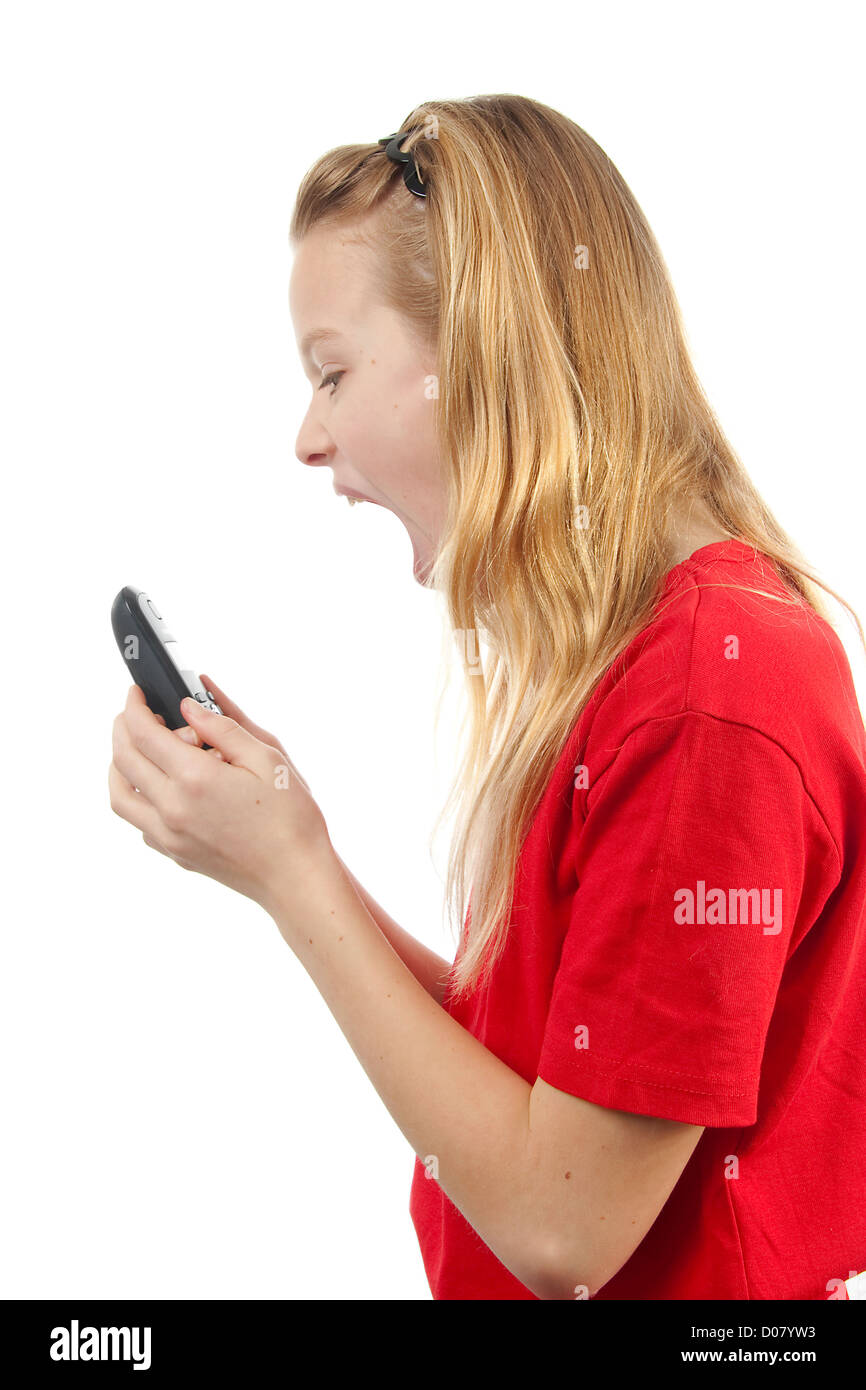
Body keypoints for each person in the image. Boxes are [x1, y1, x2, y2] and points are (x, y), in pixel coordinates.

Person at [113, 93, 865, 1302]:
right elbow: (536, 1079)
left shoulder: (705, 698)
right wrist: (283, 835)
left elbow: (560, 1230)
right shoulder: (654, 666)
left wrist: (289, 875)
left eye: (333, 371)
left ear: (479, 353)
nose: (308, 437)